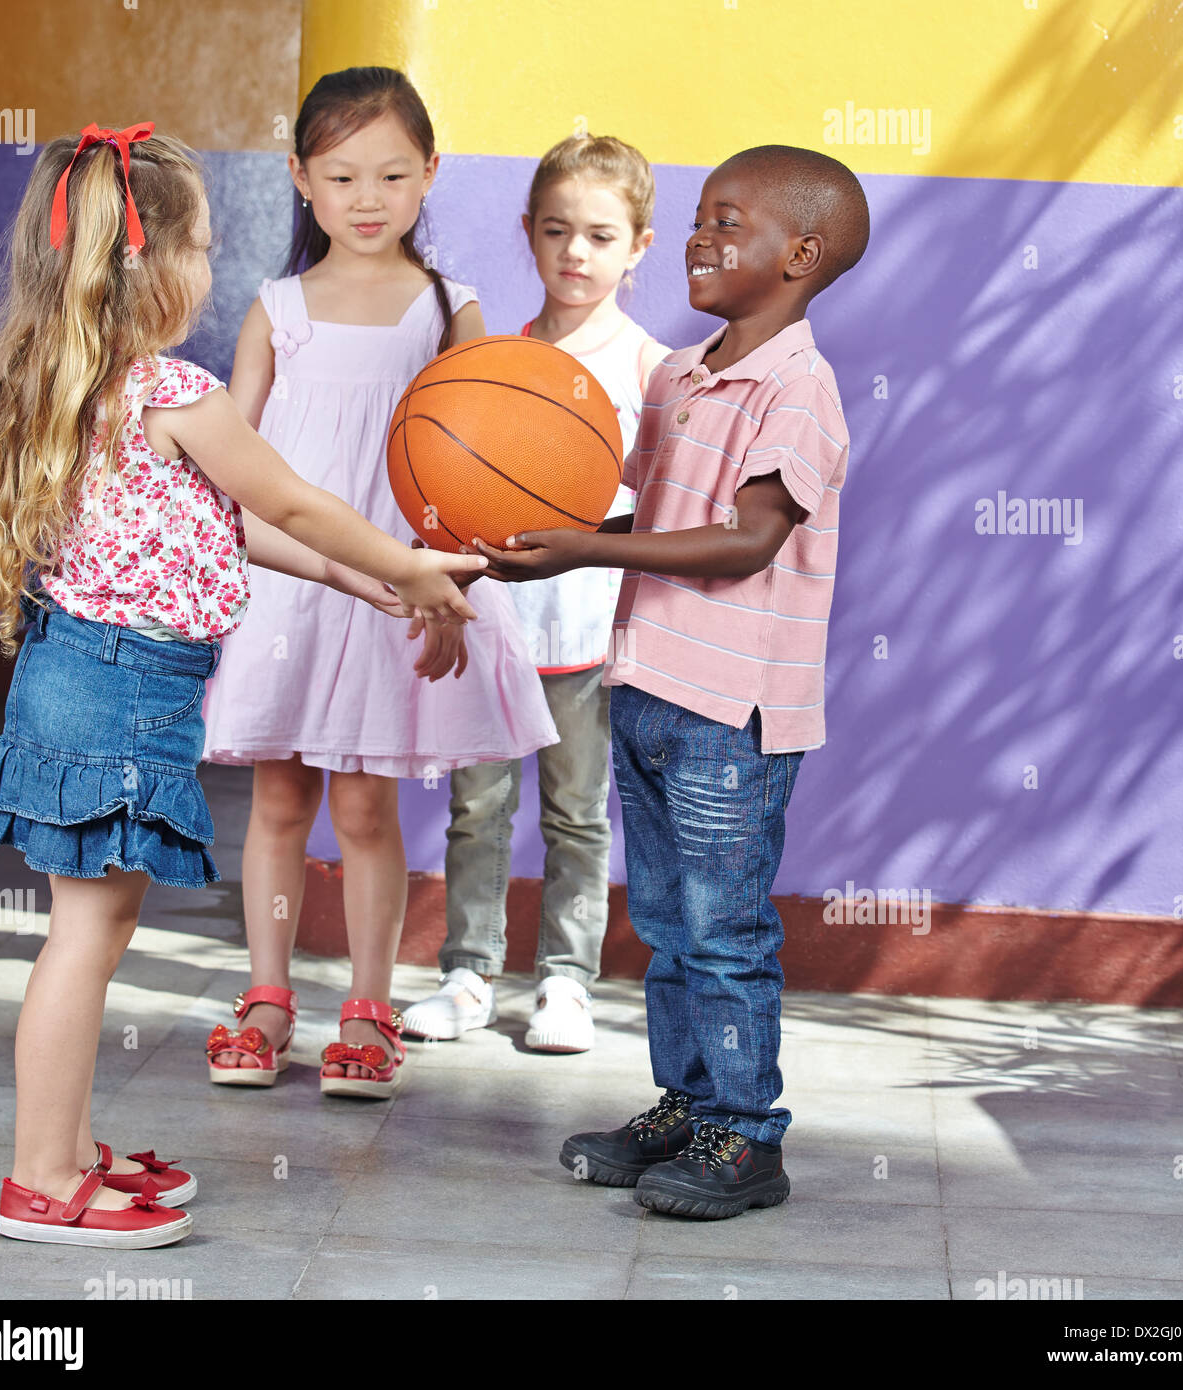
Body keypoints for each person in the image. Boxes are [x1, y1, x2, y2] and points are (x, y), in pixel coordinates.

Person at [0, 121, 486, 1247]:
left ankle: (67, 1143)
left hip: (78, 677)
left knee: (85, 933)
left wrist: (370, 584)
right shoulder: (176, 394)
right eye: (197, 246)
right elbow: (288, 498)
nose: (209, 268)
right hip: (123, 699)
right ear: (156, 266)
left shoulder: (62, 382)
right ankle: (44, 1177)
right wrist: (408, 564)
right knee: (84, 943)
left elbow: (231, 525)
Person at [473, 145, 870, 1218]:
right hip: (646, 685)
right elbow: (650, 520)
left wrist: (581, 552)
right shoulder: (677, 375)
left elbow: (742, 539)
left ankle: (747, 1135)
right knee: (664, 919)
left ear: (800, 254)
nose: (700, 237)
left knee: (725, 928)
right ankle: (685, 1106)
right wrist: (551, 539)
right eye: (698, 217)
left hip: (731, 712)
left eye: (727, 222)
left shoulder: (799, 388)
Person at [200, 68, 559, 1099]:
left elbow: (489, 469)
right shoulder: (276, 308)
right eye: (344, 174)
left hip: (398, 591)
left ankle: (366, 1004)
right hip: (288, 587)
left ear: (429, 176)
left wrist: (455, 592)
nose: (368, 196)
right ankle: (267, 996)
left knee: (363, 811)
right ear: (300, 180)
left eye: (393, 174)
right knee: (274, 804)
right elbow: (233, 457)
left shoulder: (451, 307)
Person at [402, 134, 669, 1053]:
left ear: (638, 245)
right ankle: (469, 974)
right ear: (528, 233)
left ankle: (565, 982)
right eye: (556, 231)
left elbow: (674, 516)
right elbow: (447, 492)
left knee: (578, 815)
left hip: (594, 637)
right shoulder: (493, 365)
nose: (576, 253)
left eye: (600, 235)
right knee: (476, 808)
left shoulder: (651, 370)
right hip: (498, 629)